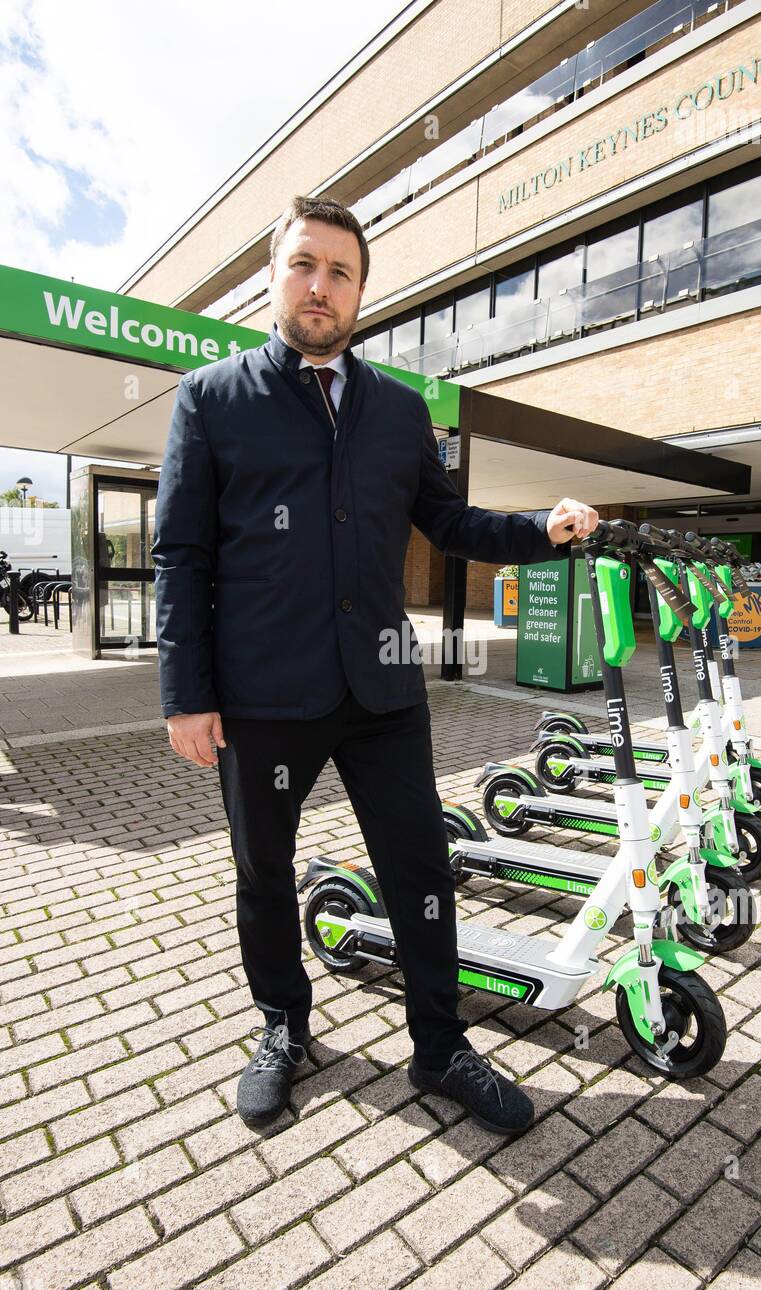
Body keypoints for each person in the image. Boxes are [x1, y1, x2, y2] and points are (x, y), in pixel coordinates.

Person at [152, 194, 599, 1138]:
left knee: (420, 867)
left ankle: (439, 1047)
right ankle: (282, 1024)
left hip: (384, 690)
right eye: (305, 265)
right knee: (262, 872)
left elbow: (451, 523)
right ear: (275, 277)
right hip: (263, 695)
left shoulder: (401, 410)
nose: (322, 286)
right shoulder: (212, 399)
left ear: (362, 293)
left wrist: (541, 531)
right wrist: (186, 695)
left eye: (341, 272)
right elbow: (181, 558)